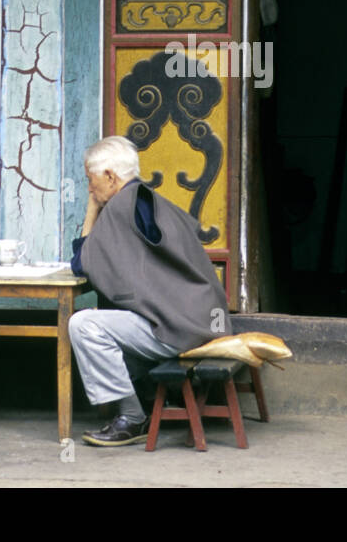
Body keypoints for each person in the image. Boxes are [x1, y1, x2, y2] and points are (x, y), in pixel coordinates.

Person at [68, 136, 230, 446]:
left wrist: (91, 210)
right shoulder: (151, 199)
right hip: (203, 321)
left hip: (178, 328)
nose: (90, 189)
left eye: (91, 181)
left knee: (84, 325)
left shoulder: (120, 207)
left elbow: (80, 264)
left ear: (110, 176)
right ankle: (154, 399)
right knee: (115, 335)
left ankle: (132, 417)